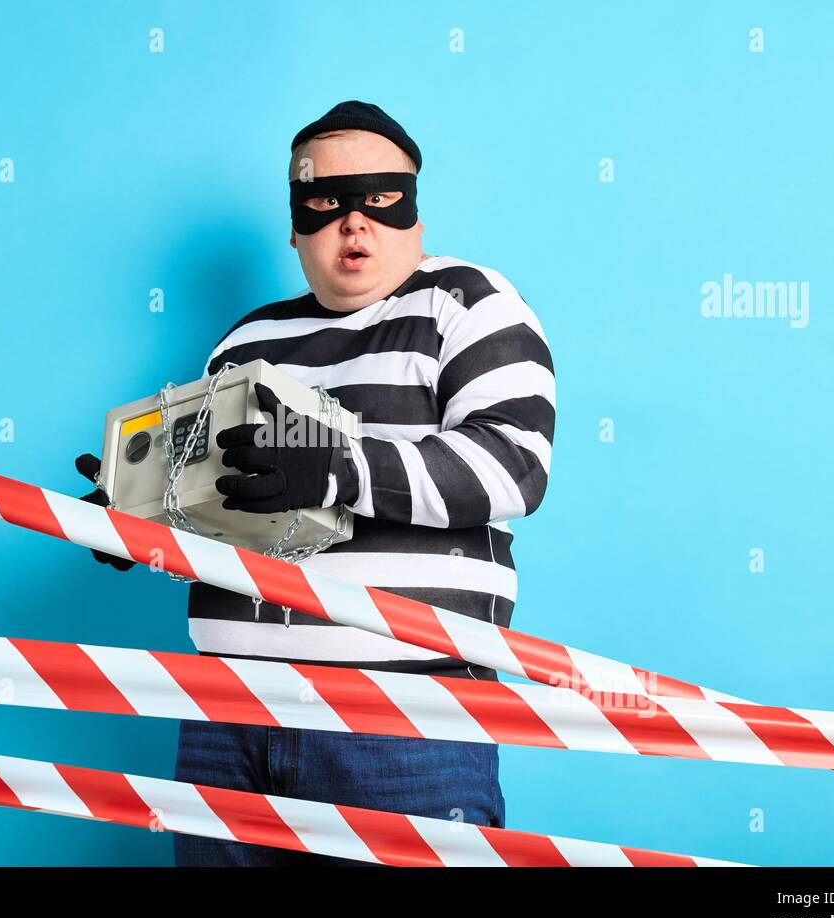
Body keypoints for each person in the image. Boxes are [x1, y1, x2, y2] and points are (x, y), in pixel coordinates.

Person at [77, 100, 556, 866]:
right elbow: (220, 502)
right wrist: (137, 521)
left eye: (379, 199)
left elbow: (512, 463)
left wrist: (338, 468)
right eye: (326, 204)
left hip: (405, 717)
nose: (354, 224)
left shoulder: (469, 305)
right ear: (297, 228)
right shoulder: (246, 342)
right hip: (226, 711)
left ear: (415, 218)